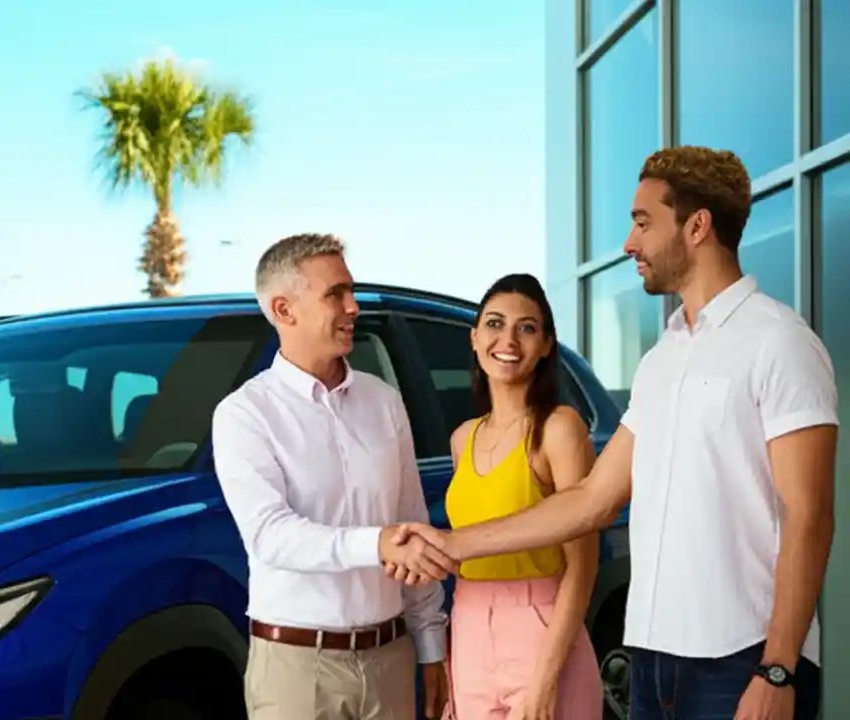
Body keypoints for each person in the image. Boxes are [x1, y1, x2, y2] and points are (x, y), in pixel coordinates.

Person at [391, 146, 838, 719]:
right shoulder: (662, 360)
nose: (630, 243)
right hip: (653, 657)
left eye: (644, 222)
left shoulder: (779, 341)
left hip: (742, 660)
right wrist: (452, 544)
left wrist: (779, 668)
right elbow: (592, 499)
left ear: (697, 226)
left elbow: (810, 515)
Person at [212, 232, 450, 719]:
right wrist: (377, 544)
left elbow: (410, 522)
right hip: (298, 672)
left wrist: (431, 645)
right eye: (335, 294)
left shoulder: (383, 400)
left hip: (391, 660)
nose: (353, 307)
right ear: (284, 309)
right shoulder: (245, 414)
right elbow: (270, 536)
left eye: (351, 291)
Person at [387, 273, 604, 719]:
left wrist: (545, 678)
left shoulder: (558, 428)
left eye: (526, 328)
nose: (508, 339)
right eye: (494, 324)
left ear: (546, 345)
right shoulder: (462, 439)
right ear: (474, 336)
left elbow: (583, 566)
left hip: (542, 627)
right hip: (467, 627)